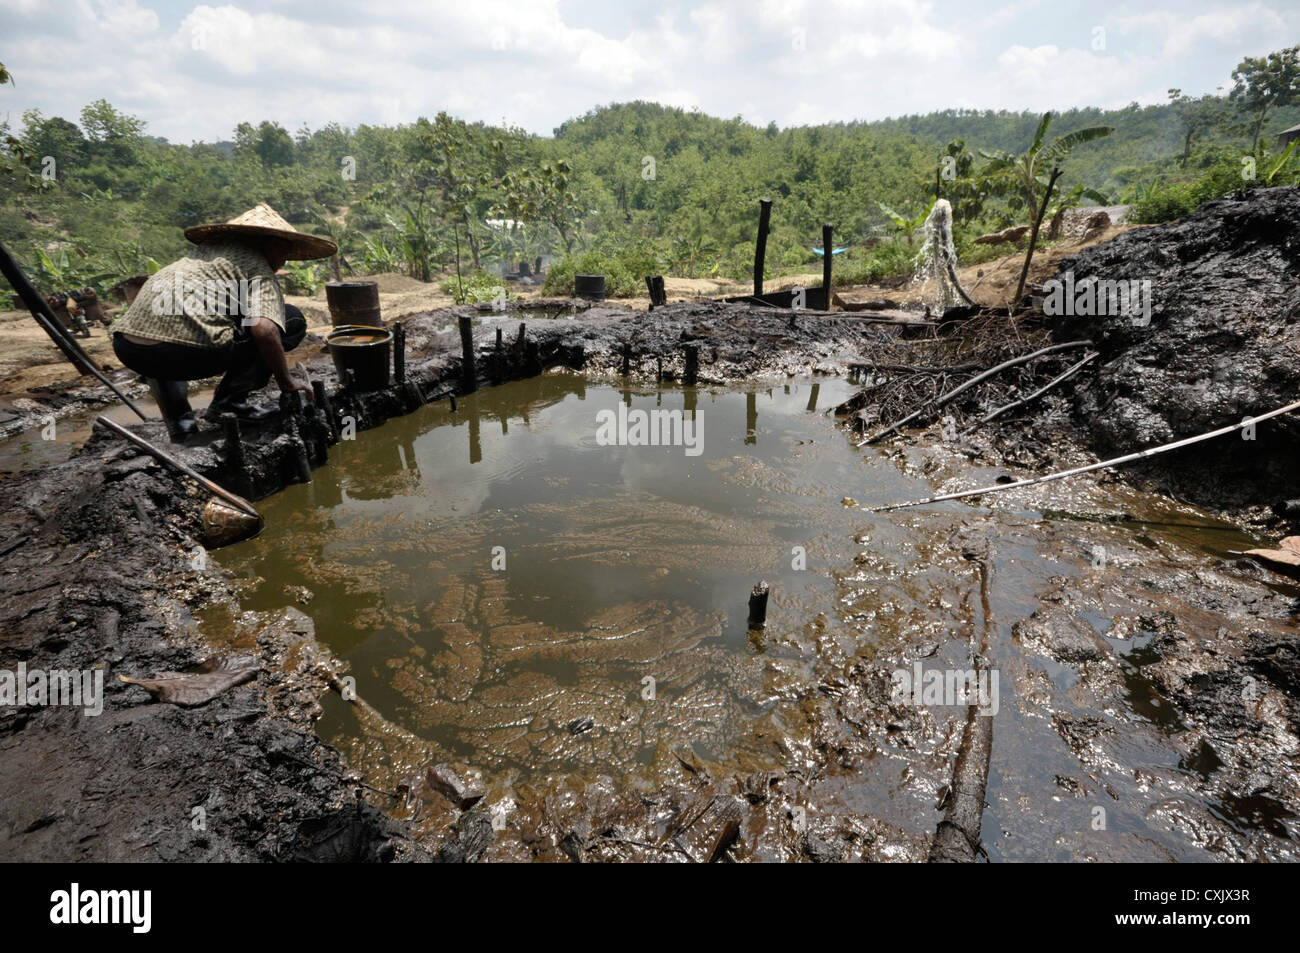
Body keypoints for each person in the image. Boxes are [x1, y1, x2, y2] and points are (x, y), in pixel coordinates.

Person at [111, 203, 337, 441]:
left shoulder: (202, 256)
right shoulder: (257, 266)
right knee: (290, 319)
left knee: (166, 329)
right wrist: (287, 382)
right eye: (284, 255)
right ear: (272, 245)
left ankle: (181, 425)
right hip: (180, 353)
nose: (283, 263)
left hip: (130, 349)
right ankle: (231, 403)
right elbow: (264, 330)